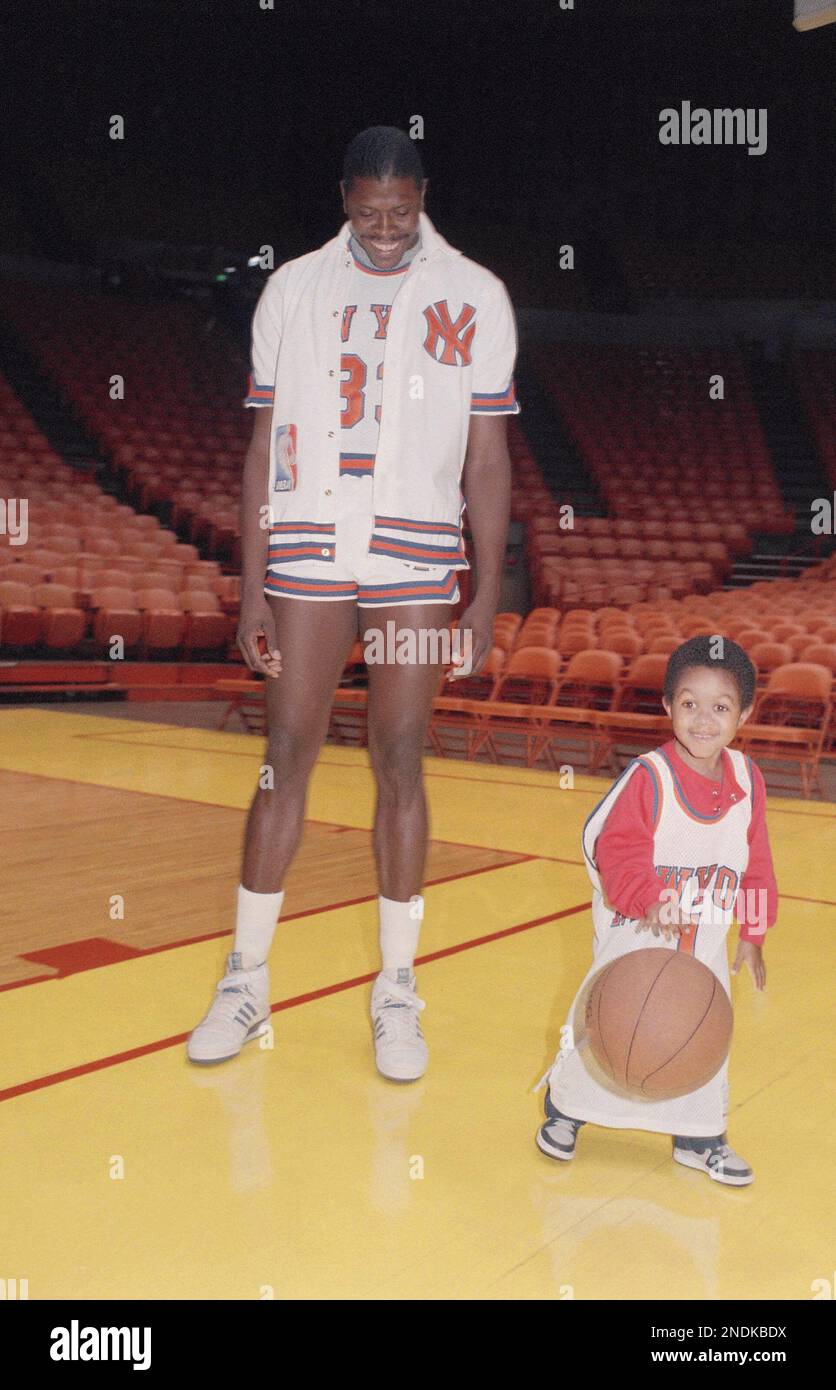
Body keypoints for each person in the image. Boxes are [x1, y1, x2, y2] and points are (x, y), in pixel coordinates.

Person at [188, 126, 520, 1080]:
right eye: (368, 212)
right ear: (343, 196)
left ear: (422, 195)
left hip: (416, 555)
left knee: (400, 756)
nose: (384, 229)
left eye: (401, 212)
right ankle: (246, 979)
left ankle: (398, 990)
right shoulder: (292, 288)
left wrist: (483, 593)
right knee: (284, 751)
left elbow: (489, 458)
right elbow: (258, 447)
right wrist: (250, 583)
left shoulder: (476, 294)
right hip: (306, 543)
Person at [536, 637, 778, 1185]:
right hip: (636, 937)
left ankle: (700, 1138)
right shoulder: (648, 777)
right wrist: (651, 897)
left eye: (720, 707)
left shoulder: (748, 780)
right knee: (606, 1024)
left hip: (705, 947)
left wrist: (755, 931)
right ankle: (567, 1109)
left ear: (744, 713)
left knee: (703, 1035)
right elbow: (615, 852)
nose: (703, 720)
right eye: (689, 703)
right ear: (667, 706)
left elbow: (756, 862)